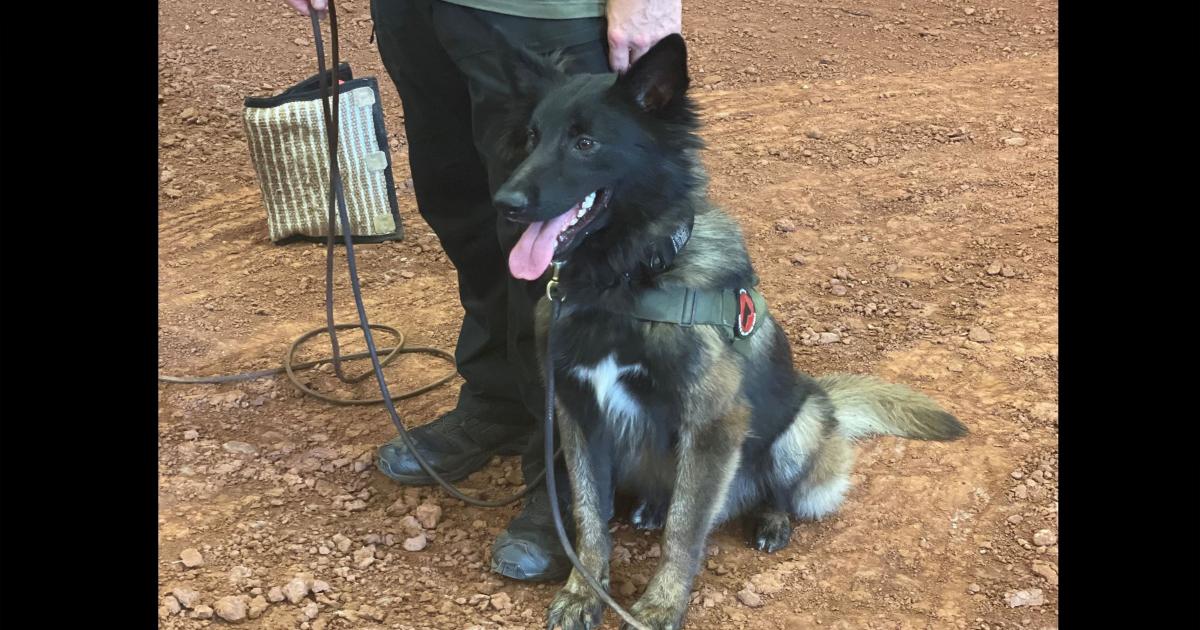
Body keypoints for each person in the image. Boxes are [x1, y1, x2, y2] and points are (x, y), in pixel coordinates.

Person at [284, 0, 681, 581]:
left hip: (542, 12)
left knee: (571, 244)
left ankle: (570, 484)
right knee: (462, 203)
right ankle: (498, 400)